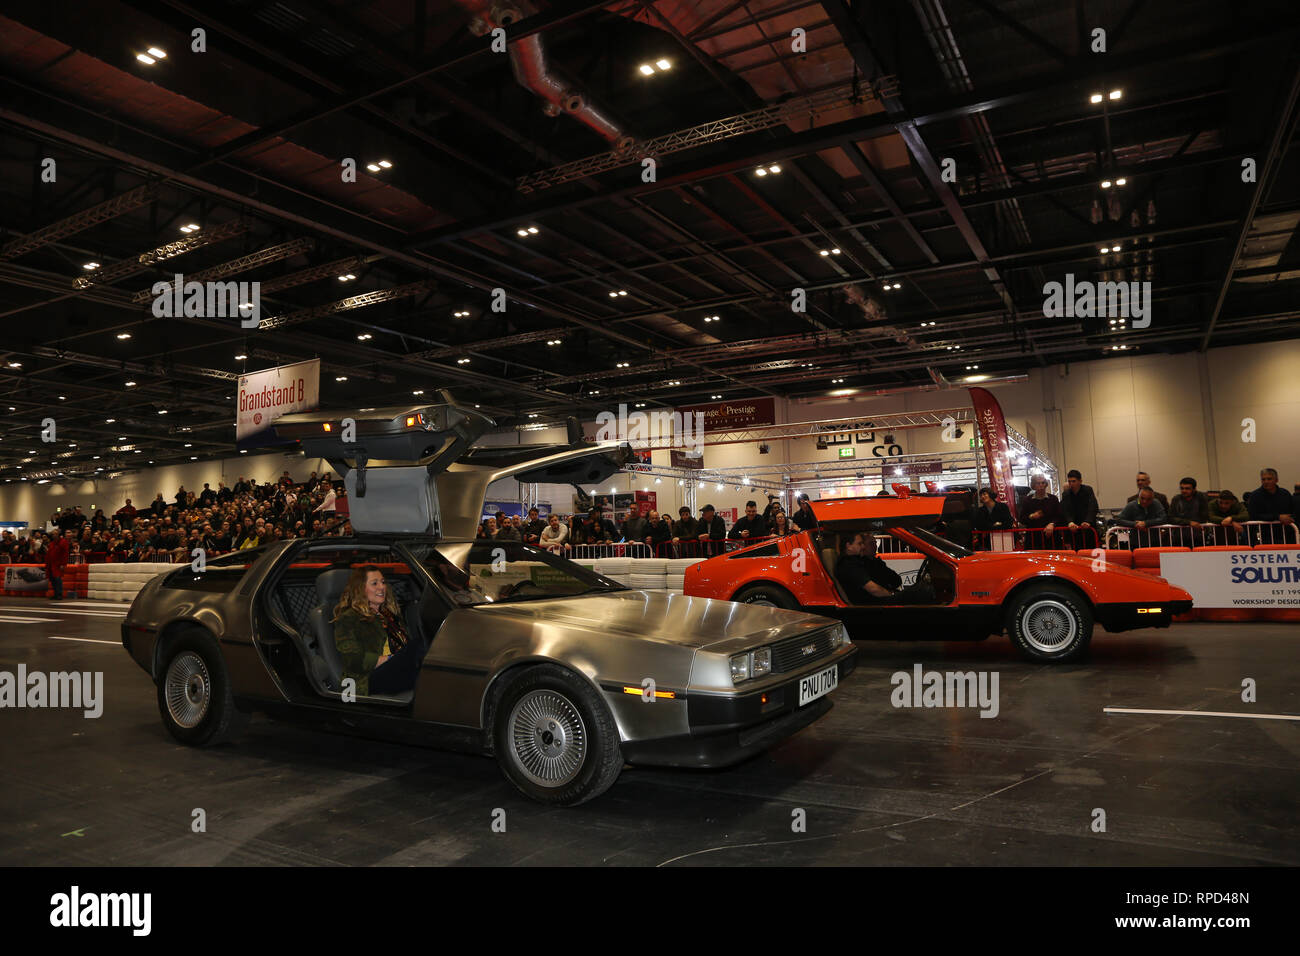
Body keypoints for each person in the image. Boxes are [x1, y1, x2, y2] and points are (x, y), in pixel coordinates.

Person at [332, 566, 427, 696]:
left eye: (383, 582)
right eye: (374, 583)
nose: (381, 587)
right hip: (365, 679)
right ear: (361, 588)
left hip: (394, 671)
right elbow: (353, 659)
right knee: (418, 645)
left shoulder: (389, 614)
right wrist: (392, 659)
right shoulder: (349, 618)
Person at [835, 532, 902, 602]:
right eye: (859, 544)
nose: (863, 547)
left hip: (876, 601)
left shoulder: (860, 561)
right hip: (871, 605)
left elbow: (896, 580)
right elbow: (874, 589)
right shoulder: (848, 564)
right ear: (848, 546)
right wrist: (893, 595)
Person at [1245, 468, 1294, 543]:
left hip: (1286, 534)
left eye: (1269, 479)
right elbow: (1253, 515)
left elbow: (1292, 511)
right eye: (1263, 479)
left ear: (1276, 480)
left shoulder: (1285, 493)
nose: (1266, 482)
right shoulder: (1255, 496)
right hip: (1265, 536)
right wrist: (1278, 517)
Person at [1017, 474, 1063, 548]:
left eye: (1043, 483)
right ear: (1033, 485)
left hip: (1051, 537)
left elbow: (1059, 515)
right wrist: (1031, 516)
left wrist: (1052, 524)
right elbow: (1022, 519)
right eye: (1038, 483)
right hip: (1034, 538)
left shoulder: (1053, 499)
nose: (1041, 485)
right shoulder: (1027, 500)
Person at [1059, 470, 1100, 547]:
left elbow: (1093, 506)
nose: (1071, 484)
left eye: (1074, 481)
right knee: (1077, 550)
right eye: (1069, 481)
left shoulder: (1088, 490)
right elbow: (1065, 510)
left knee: (1091, 549)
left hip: (1088, 526)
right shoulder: (1066, 494)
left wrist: (1088, 521)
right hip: (1074, 528)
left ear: (1080, 481)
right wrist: (1070, 522)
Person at [1166, 476, 1210, 545]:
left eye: (1187, 488)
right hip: (1179, 537)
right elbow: (1170, 518)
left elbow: (1205, 516)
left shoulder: (1201, 498)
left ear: (1194, 489)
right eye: (1182, 488)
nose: (1184, 491)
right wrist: (1189, 522)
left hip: (1198, 536)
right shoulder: (1176, 499)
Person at [44, 528, 69, 600]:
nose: (53, 535)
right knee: (52, 579)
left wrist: (63, 564)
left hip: (58, 564)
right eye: (53, 534)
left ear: (58, 535)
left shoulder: (63, 542)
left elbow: (65, 554)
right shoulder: (52, 543)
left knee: (58, 579)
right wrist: (47, 565)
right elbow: (49, 554)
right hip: (51, 564)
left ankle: (59, 594)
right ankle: (56, 593)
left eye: (55, 534)